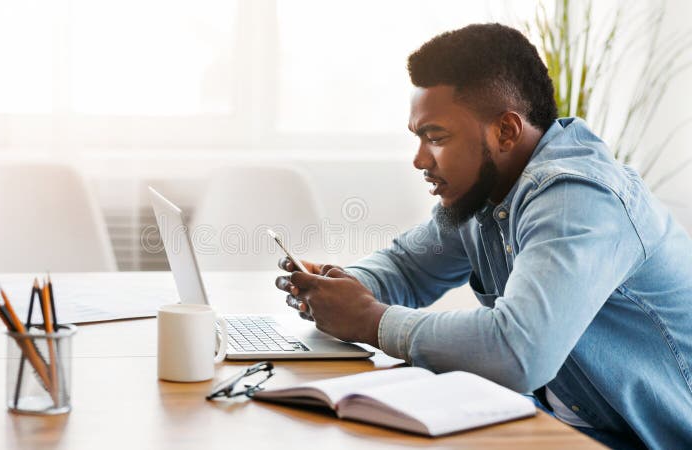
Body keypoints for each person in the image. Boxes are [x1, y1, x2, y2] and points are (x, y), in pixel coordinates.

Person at [274, 23, 692, 449]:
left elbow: (518, 352)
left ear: (506, 131)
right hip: (564, 429)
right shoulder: (487, 196)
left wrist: (369, 319)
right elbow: (408, 266)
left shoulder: (576, 199)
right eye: (418, 137)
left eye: (436, 137)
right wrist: (340, 287)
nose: (420, 159)